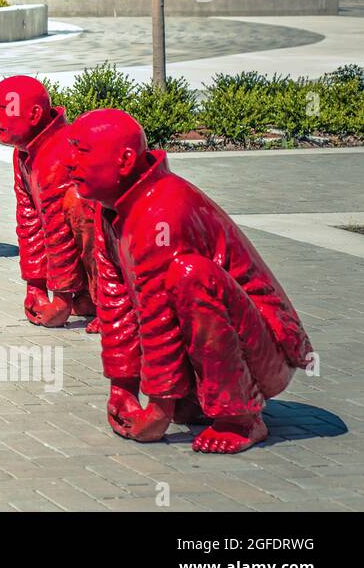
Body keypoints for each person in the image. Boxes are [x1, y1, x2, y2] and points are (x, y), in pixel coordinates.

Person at [69, 109, 315, 453]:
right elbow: (116, 303)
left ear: (124, 161)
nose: (69, 163)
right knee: (153, 292)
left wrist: (158, 410)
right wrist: (121, 386)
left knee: (190, 276)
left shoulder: (162, 212)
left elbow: (159, 320)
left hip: (264, 357)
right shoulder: (110, 207)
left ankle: (240, 417)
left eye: (80, 152)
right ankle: (196, 398)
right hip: (220, 347)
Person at [0, 75, 98, 329]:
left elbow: (59, 232)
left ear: (35, 114)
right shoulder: (24, 153)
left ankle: (110, 302)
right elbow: (30, 223)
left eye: (2, 108)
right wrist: (35, 286)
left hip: (126, 256)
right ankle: (88, 294)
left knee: (79, 204)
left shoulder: (57, 152)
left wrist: (61, 301)